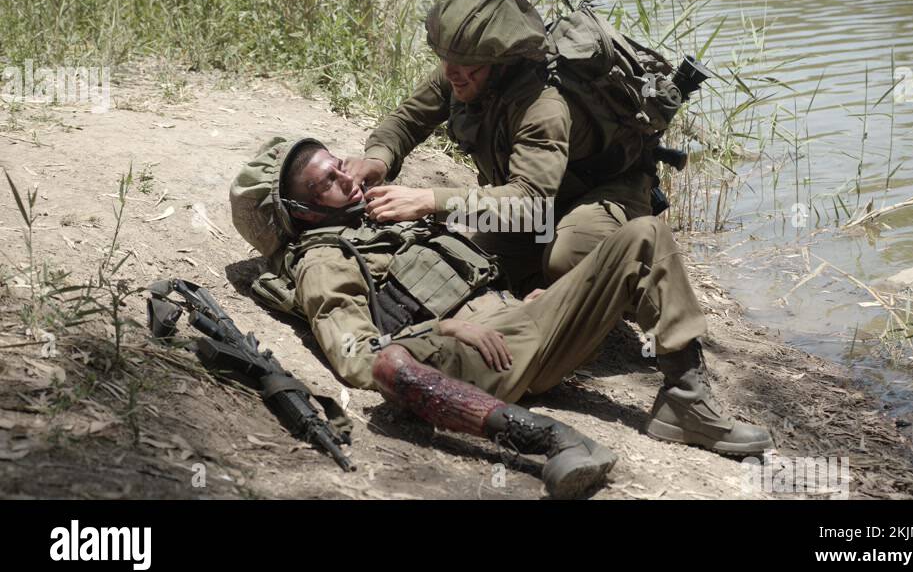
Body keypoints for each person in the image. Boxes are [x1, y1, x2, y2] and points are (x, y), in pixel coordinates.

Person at [229, 136, 774, 498]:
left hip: (513, 328)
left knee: (642, 231)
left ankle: (683, 401)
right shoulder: (324, 261)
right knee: (643, 239)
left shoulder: (378, 222)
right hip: (473, 359)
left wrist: (525, 301)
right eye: (325, 183)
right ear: (299, 213)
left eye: (338, 165)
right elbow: (357, 359)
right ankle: (565, 435)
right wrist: (445, 328)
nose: (347, 179)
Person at [345, 0, 658, 293]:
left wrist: (429, 201)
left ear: (501, 61)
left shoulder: (542, 106)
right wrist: (378, 159)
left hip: (597, 195)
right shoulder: (461, 71)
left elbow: (531, 204)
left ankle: (639, 278)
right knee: (461, 264)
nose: (451, 72)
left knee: (565, 259)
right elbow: (407, 121)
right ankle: (546, 280)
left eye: (466, 64)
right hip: (537, 210)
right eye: (445, 58)